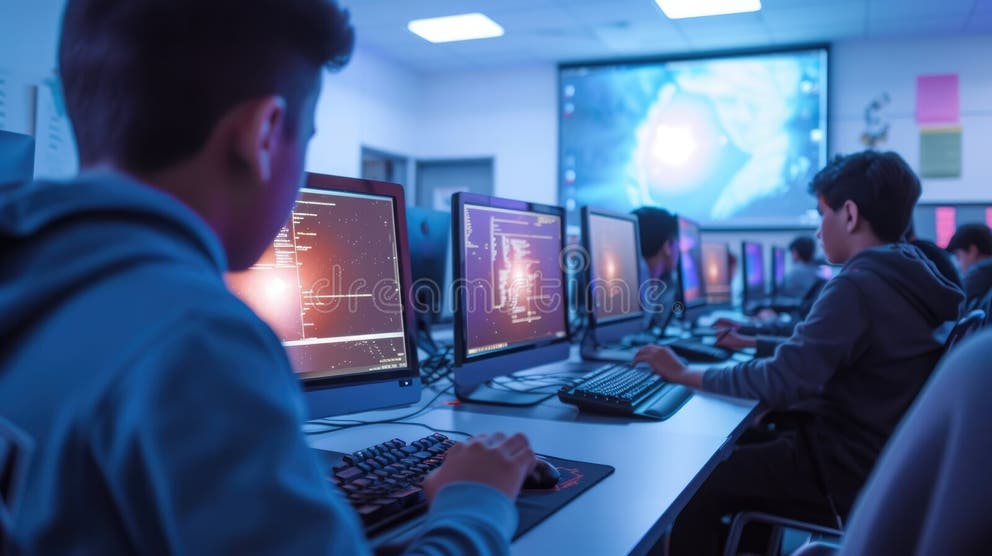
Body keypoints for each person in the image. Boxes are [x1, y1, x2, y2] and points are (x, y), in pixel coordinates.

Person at [0, 1, 535, 553]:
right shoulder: (196, 342)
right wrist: (476, 502)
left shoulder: (32, 274)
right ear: (263, 133)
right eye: (307, 140)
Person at [635, 151, 964, 556]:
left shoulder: (858, 284)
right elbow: (831, 350)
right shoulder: (905, 274)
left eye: (820, 213)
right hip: (875, 459)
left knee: (699, 481)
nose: (818, 230)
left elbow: (783, 380)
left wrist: (685, 373)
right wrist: (756, 341)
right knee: (739, 447)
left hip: (840, 468)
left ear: (849, 214)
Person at [632, 206, 680, 327]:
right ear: (668, 245)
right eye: (677, 243)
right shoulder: (633, 284)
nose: (679, 250)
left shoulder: (663, 280)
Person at [946, 223, 992, 311]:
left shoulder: (980, 273)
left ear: (972, 250)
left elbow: (951, 308)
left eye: (958, 256)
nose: (958, 265)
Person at [778, 235, 820, 299]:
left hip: (797, 305)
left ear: (795, 253)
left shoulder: (795, 272)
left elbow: (780, 292)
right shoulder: (816, 269)